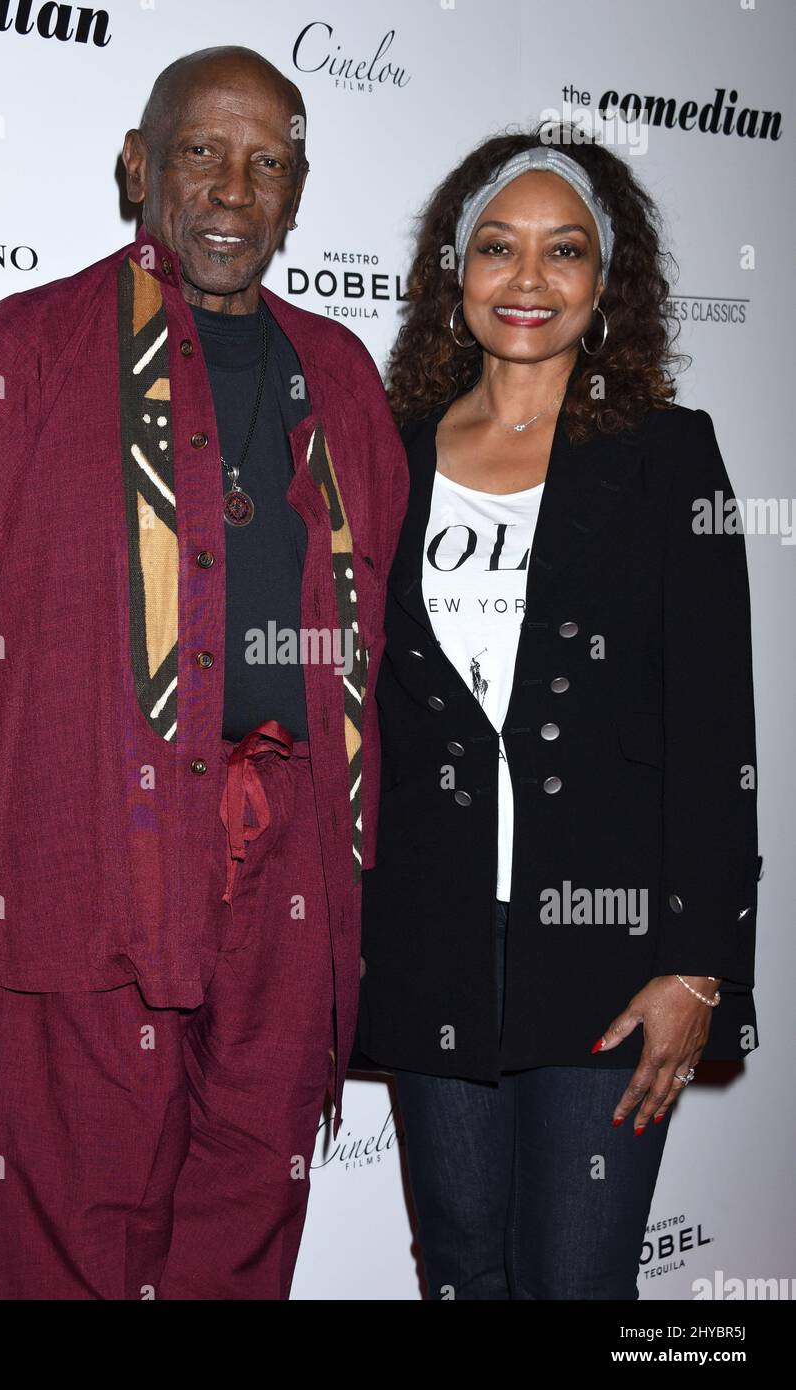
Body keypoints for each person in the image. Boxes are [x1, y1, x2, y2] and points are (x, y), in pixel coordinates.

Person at [0, 45, 408, 1301]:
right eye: (200, 150)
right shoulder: (26, 348)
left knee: (244, 1233)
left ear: (297, 196)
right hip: (86, 876)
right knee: (63, 1244)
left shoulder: (344, 380)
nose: (229, 188)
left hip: (289, 895)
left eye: (267, 163)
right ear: (137, 167)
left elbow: (374, 669)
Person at [356, 126, 760, 1299]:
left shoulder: (668, 456)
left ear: (603, 282)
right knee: (464, 1275)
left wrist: (699, 967)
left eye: (562, 251)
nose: (526, 280)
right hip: (433, 943)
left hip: (611, 956)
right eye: (496, 248)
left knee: (575, 1284)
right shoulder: (388, 455)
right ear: (454, 272)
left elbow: (712, 730)